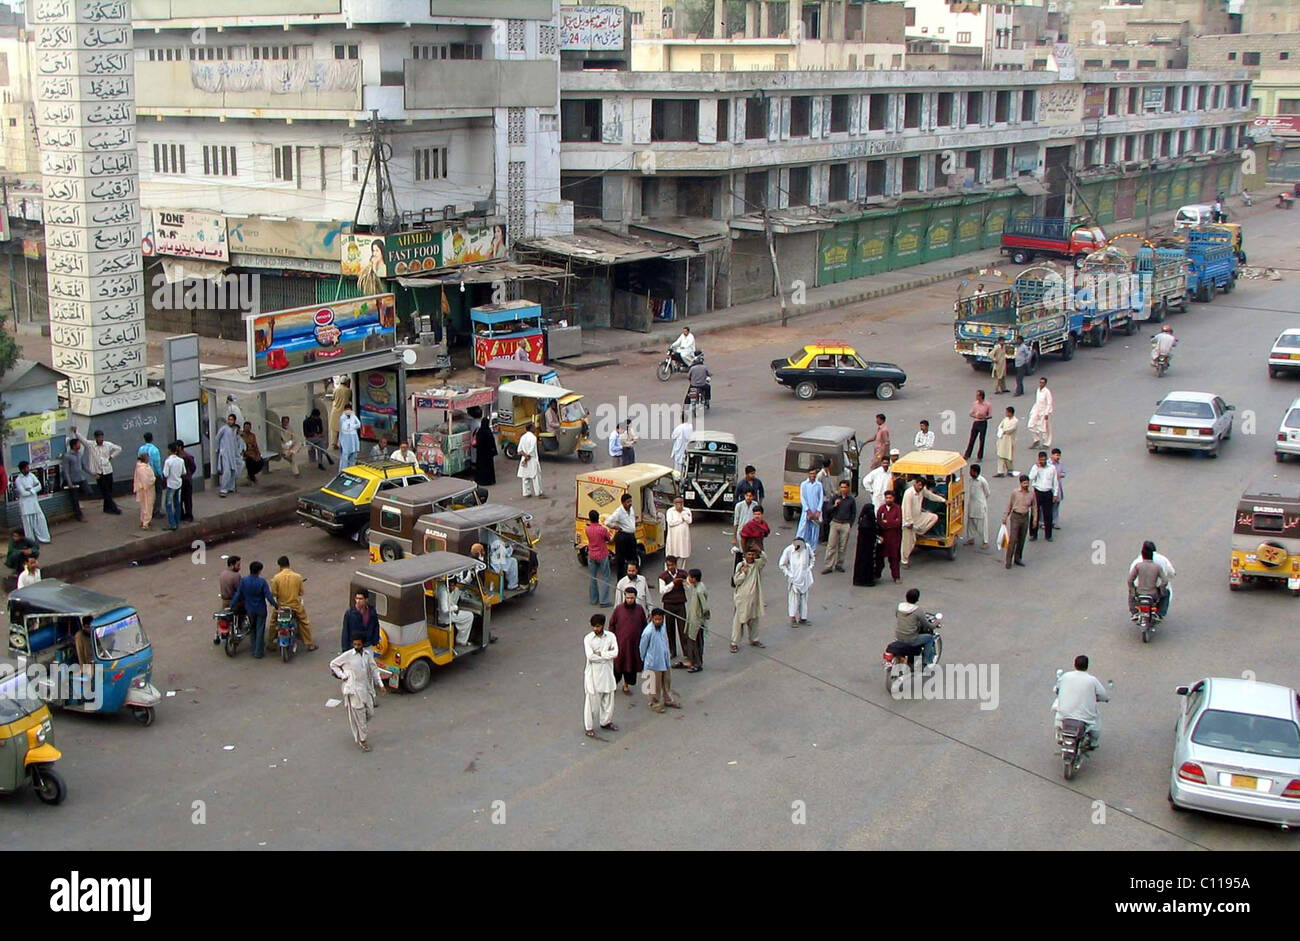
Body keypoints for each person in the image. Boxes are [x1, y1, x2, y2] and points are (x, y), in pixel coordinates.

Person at [330, 635, 387, 751]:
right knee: (361, 718)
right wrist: (343, 675)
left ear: (363, 644)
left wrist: (380, 684)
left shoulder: (367, 655)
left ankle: (360, 727)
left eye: (359, 645)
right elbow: (333, 664)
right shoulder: (348, 655)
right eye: (354, 644)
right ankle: (363, 741)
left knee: (370, 713)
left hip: (366, 689)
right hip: (354, 691)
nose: (356, 647)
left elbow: (374, 669)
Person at [1053, 654, 1110, 748]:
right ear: (1087, 666)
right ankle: (1093, 743)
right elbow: (1103, 695)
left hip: (1064, 714)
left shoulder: (1065, 676)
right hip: (1085, 717)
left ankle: (1059, 736)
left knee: (1058, 714)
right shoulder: (1092, 680)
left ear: (1074, 664)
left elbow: (1057, 689)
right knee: (1096, 723)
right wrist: (1106, 699)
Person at [232, 560, 278, 659]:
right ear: (259, 571)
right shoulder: (262, 582)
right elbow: (268, 596)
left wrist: (232, 604)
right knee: (260, 629)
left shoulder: (244, 581)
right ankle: (258, 651)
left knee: (252, 629)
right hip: (261, 609)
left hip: (249, 609)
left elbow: (238, 594)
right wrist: (276, 606)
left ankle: (253, 649)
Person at [583, 614, 619, 737]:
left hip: (607, 673)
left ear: (603, 625)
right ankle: (589, 727)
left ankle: (606, 722)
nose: (595, 629)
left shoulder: (611, 636)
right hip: (594, 675)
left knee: (608, 699)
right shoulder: (588, 639)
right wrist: (605, 655)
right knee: (592, 704)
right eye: (593, 627)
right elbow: (590, 656)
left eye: (597, 626)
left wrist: (600, 654)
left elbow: (615, 653)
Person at [271, 555, 316, 652]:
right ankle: (309, 644)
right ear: (289, 564)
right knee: (304, 622)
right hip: (295, 606)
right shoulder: (298, 577)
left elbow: (274, 593)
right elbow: (301, 593)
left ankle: (270, 643)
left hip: (281, 606)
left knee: (273, 622)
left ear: (280, 566)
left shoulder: (276, 578)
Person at [640, 609, 680, 713]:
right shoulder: (647, 632)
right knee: (653, 686)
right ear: (652, 618)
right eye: (656, 619)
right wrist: (644, 661)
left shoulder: (663, 628)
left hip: (664, 660)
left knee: (666, 682)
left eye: (660, 619)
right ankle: (654, 703)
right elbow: (642, 648)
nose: (658, 621)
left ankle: (667, 699)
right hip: (653, 663)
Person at [609, 587, 647, 695]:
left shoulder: (639, 609)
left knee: (630, 666)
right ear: (624, 597)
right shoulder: (618, 609)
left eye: (632, 598)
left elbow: (644, 625)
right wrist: (611, 641)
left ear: (635, 598)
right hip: (620, 644)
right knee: (617, 666)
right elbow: (612, 625)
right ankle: (613, 686)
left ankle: (626, 685)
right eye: (628, 597)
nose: (630, 600)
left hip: (634, 645)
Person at [901, 476, 945, 566]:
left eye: (922, 486)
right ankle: (904, 561)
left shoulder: (922, 490)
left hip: (919, 517)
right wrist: (908, 522)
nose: (920, 487)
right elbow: (906, 509)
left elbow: (931, 496)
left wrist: (943, 500)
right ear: (915, 484)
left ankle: (919, 531)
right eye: (919, 485)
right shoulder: (909, 493)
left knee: (933, 517)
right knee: (908, 543)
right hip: (908, 521)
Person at [730, 547, 766, 653]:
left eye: (752, 554)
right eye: (748, 554)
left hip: (754, 597)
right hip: (742, 598)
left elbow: (764, 560)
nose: (751, 557)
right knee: (739, 621)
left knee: (754, 619)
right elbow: (736, 581)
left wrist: (760, 551)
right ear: (744, 555)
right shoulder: (741, 566)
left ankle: (754, 639)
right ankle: (734, 643)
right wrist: (743, 573)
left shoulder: (757, 565)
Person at [1128, 540, 1175, 618]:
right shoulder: (1158, 565)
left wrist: (1133, 591)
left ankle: (1134, 612)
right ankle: (1160, 614)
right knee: (1166, 593)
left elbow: (1130, 580)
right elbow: (1165, 580)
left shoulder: (1137, 564)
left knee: (1131, 593)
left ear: (1142, 554)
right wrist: (1162, 589)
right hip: (1153, 594)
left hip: (1139, 592)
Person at [895, 587, 939, 668]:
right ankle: (926, 661)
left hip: (898, 636)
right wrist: (935, 624)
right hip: (911, 639)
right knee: (929, 638)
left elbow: (898, 616)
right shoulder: (918, 610)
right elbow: (927, 625)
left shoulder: (900, 606)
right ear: (917, 599)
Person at [84, 428, 123, 514]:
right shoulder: (91, 445)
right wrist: (76, 432)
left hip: (108, 470)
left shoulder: (107, 444)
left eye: (102, 437)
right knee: (105, 491)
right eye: (99, 437)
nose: (101, 439)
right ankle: (114, 508)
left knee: (109, 490)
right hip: (99, 472)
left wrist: (111, 456)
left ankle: (106, 508)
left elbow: (118, 448)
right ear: (96, 438)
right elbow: (83, 440)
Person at [657, 556, 688, 662]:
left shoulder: (683, 573)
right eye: (668, 565)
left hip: (680, 604)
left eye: (672, 565)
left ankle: (686, 651)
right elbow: (662, 591)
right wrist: (673, 583)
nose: (670, 567)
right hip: (668, 604)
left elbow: (689, 586)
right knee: (670, 629)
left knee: (683, 628)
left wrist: (683, 582)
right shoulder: (663, 576)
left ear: (675, 565)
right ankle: (672, 651)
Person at [778, 536, 814, 627]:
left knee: (804, 598)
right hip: (794, 579)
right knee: (793, 598)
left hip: (804, 578)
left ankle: (803, 618)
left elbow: (812, 558)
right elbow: (782, 564)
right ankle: (793, 618)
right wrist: (789, 574)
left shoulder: (807, 548)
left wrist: (809, 569)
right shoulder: (788, 550)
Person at [823, 480, 856, 574]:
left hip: (845, 524)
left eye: (845, 487)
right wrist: (834, 505)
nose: (843, 489)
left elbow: (853, 513)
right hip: (835, 523)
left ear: (848, 488)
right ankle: (828, 565)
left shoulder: (851, 500)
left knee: (842, 547)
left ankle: (839, 564)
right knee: (831, 546)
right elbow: (828, 509)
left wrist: (850, 524)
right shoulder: (835, 498)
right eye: (841, 487)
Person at [14, 461, 51, 545]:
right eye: (26, 468)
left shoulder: (32, 476)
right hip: (25, 505)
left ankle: (44, 538)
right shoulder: (18, 480)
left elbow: (39, 486)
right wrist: (32, 490)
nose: (28, 469)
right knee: (28, 525)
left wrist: (30, 490)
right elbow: (23, 493)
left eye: (28, 467)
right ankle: (30, 542)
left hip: (34, 503)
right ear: (22, 469)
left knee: (40, 520)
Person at [1002, 473, 1034, 569]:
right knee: (1013, 539)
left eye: (1027, 483)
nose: (1026, 485)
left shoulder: (1031, 494)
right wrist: (1005, 517)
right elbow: (1009, 505)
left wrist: (1035, 519)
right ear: (1020, 483)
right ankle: (1008, 560)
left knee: (1022, 539)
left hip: (1025, 517)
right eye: (1024, 483)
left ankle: (1018, 558)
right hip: (1016, 516)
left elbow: (1034, 507)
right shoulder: (1015, 493)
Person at [585, 510, 613, 606]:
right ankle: (604, 601)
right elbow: (608, 539)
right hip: (602, 554)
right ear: (598, 518)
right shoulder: (602, 530)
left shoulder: (587, 529)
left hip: (591, 555)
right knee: (606, 577)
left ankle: (594, 599)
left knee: (593, 578)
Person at [606, 492, 638, 575]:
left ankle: (634, 578)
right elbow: (607, 522)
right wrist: (615, 527)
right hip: (623, 536)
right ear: (623, 503)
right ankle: (620, 581)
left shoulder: (631, 509)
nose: (630, 503)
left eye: (630, 501)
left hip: (631, 536)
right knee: (620, 560)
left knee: (634, 559)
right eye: (628, 502)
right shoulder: (618, 512)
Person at [683, 568, 708, 672]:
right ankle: (692, 661)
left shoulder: (700, 590)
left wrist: (703, 620)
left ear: (694, 578)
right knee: (691, 640)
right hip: (692, 618)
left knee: (696, 642)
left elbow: (705, 607)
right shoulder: (695, 586)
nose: (688, 578)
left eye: (690, 577)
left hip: (697, 620)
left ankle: (698, 664)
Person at [875, 489, 902, 583]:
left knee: (894, 558)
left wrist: (887, 522)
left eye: (890, 498)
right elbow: (879, 522)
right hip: (883, 538)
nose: (888, 499)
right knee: (879, 558)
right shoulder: (881, 509)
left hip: (894, 539)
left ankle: (896, 577)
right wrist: (889, 523)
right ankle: (877, 575)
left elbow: (898, 523)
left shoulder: (897, 508)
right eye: (886, 498)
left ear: (893, 498)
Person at [438, 578, 474, 646]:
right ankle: (461, 640)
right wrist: (455, 608)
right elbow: (445, 609)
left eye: (454, 586)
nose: (453, 588)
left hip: (451, 614)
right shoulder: (444, 593)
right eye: (451, 586)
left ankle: (460, 638)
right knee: (470, 616)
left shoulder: (445, 589)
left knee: (467, 615)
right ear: (447, 585)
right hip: (446, 617)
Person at [61, 433, 88, 522]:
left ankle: (80, 505)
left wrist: (92, 473)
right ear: (74, 445)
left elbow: (83, 466)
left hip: (81, 478)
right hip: (73, 480)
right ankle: (79, 515)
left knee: (88, 491)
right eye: (78, 444)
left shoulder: (79, 454)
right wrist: (69, 482)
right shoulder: (67, 456)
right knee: (74, 499)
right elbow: (66, 470)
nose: (79, 445)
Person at [852, 498, 878, 587]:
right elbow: (873, 533)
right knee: (866, 563)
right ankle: (866, 580)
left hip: (862, 549)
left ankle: (860, 579)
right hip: (867, 548)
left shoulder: (863, 520)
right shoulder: (868, 523)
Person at [214, 414, 243, 496]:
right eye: (229, 419)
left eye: (232, 420)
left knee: (233, 470)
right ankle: (223, 489)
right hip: (225, 453)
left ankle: (231, 487)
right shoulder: (224, 429)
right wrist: (217, 449)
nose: (230, 421)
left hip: (232, 454)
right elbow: (217, 438)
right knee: (226, 471)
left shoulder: (233, 430)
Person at [797, 466, 823, 556]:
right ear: (808, 474)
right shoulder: (804, 484)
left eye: (814, 474)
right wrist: (808, 510)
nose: (813, 475)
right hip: (806, 512)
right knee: (803, 529)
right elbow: (802, 498)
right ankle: (799, 546)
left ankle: (812, 549)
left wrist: (818, 511)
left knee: (815, 531)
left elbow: (821, 498)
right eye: (811, 473)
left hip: (816, 511)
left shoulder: (819, 485)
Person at [964, 464, 990, 549]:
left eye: (971, 471)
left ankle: (985, 541)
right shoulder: (970, 480)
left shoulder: (982, 481)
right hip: (972, 504)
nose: (969, 472)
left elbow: (987, 493)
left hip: (980, 505)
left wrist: (981, 500)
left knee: (981, 524)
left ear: (975, 472)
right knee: (970, 522)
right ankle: (971, 539)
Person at [139, 432, 164, 517]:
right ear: (152, 438)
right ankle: (156, 511)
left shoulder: (141, 449)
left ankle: (148, 510)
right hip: (154, 474)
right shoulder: (155, 450)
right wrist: (160, 474)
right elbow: (157, 464)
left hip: (144, 474)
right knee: (158, 492)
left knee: (147, 493)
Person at [162, 442, 185, 531]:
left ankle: (172, 523)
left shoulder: (168, 461)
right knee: (177, 503)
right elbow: (184, 472)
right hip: (179, 484)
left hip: (171, 485)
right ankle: (177, 521)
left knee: (168, 504)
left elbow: (165, 474)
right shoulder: (181, 460)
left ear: (169, 450)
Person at [517, 422, 543, 498]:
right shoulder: (533, 438)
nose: (535, 428)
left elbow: (519, 450)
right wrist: (527, 457)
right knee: (535, 476)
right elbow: (532, 450)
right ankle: (538, 492)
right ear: (531, 428)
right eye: (534, 427)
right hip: (532, 459)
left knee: (525, 477)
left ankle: (526, 492)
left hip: (524, 458)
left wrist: (524, 458)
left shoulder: (523, 437)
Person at [965, 390, 992, 460]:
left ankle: (979, 456)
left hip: (983, 422)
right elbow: (971, 413)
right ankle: (967, 454)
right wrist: (975, 416)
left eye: (978, 395)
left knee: (982, 440)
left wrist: (983, 417)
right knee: (972, 439)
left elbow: (990, 415)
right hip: (976, 422)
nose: (976, 397)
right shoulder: (975, 404)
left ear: (981, 396)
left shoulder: (987, 405)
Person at [132, 454, 156, 530]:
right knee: (148, 506)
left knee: (143, 506)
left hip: (141, 488)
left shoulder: (138, 467)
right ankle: (146, 523)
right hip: (147, 489)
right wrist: (153, 480)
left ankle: (143, 521)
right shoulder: (145, 468)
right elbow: (147, 480)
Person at [665, 495, 692, 563]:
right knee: (671, 557)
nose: (679, 504)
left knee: (682, 557)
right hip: (673, 539)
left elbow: (689, 521)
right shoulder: (670, 511)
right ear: (674, 503)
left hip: (683, 539)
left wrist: (683, 513)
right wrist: (681, 519)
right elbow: (670, 523)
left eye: (680, 502)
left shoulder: (687, 510)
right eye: (677, 502)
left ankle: (681, 572)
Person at [1028, 377, 1054, 448]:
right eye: (1040, 382)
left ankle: (1046, 443)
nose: (1041, 384)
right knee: (1031, 425)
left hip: (1044, 411)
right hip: (1036, 410)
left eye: (1042, 383)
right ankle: (1036, 440)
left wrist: (1047, 413)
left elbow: (1049, 403)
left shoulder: (1047, 392)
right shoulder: (1038, 390)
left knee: (1044, 428)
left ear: (1045, 383)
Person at [328, 376, 352, 450]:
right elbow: (350, 399)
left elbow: (333, 398)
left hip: (335, 411)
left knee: (334, 430)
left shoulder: (336, 389)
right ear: (347, 382)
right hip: (343, 412)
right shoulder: (348, 391)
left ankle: (334, 443)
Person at [995, 406, 1018, 477]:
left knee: (1008, 456)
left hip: (1009, 440)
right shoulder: (1005, 419)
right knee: (1000, 455)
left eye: (1007, 412)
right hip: (1002, 439)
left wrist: (1004, 430)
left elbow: (1012, 429)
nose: (1006, 413)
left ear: (1010, 413)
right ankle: (1000, 471)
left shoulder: (1015, 421)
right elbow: (1000, 426)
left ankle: (1010, 470)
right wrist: (1001, 430)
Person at [176, 441, 197, 521]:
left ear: (180, 447)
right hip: (183, 480)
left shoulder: (187, 456)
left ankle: (188, 515)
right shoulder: (180, 456)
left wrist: (188, 475)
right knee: (182, 499)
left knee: (186, 499)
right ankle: (183, 514)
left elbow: (193, 467)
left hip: (185, 480)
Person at [473, 419, 498, 486]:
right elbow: (492, 442)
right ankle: (489, 481)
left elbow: (477, 442)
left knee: (480, 467)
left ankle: (480, 480)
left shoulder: (479, 432)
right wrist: (494, 452)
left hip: (481, 454)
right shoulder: (488, 431)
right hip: (488, 454)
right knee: (488, 468)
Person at [1049, 448, 1065, 526]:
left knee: (1056, 505)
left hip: (1057, 487)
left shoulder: (1059, 464)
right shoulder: (1048, 464)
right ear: (1052, 455)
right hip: (1049, 487)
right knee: (1047, 505)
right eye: (1056, 455)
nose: (1058, 457)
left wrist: (1060, 475)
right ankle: (1043, 522)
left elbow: (1063, 473)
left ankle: (1054, 522)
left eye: (1059, 455)